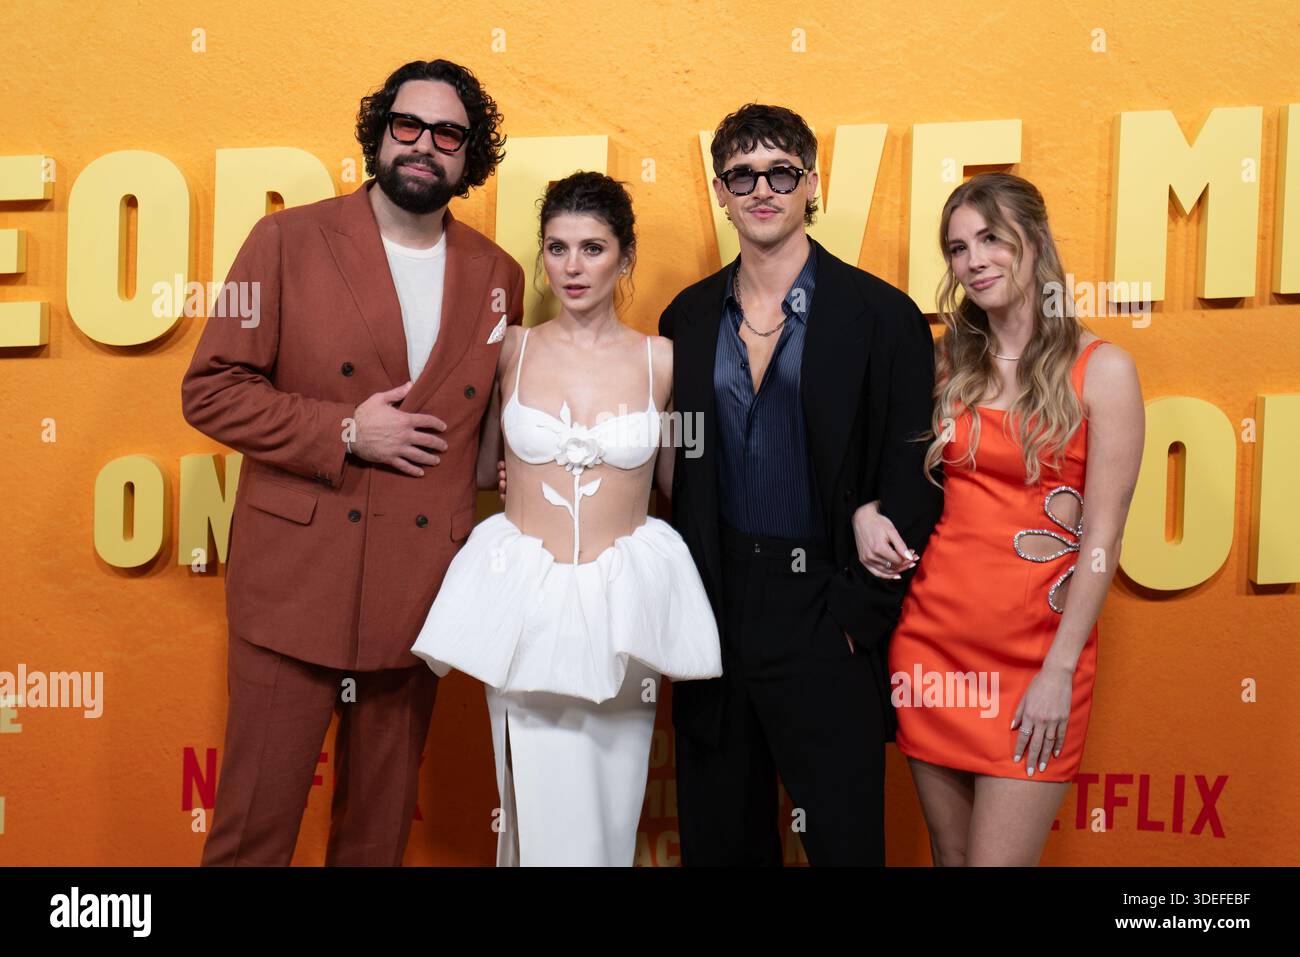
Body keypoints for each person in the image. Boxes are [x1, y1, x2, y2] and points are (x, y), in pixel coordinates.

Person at [181, 58, 524, 865]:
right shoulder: (285, 239)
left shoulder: (499, 274)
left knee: (375, 843)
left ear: (469, 158)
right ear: (378, 134)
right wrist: (344, 431)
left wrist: (525, 476)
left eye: (448, 134)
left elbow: (478, 435)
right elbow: (210, 389)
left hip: (417, 596)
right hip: (294, 587)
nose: (424, 145)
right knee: (252, 836)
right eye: (407, 125)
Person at [658, 103, 943, 866]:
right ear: (720, 190)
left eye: (781, 171)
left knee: (844, 846)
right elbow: (671, 466)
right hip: (713, 609)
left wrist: (860, 616)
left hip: (827, 612)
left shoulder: (882, 316)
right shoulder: (685, 318)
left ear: (811, 182)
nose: (763, 189)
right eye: (742, 175)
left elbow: (916, 473)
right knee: (722, 844)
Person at [411, 171, 722, 867]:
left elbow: (689, 483)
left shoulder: (665, 362)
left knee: (609, 822)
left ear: (625, 256)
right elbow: (474, 460)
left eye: (592, 248)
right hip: (526, 608)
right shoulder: (509, 350)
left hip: (622, 614)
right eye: (557, 248)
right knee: (533, 815)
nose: (573, 267)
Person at [856, 172, 1144, 866]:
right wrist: (864, 510)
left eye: (990, 238)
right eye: (957, 248)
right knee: (950, 858)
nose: (973, 260)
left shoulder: (1103, 371)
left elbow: (1101, 541)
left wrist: (1059, 670)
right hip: (931, 646)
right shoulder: (947, 359)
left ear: (1035, 242)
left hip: (1037, 661)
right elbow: (879, 464)